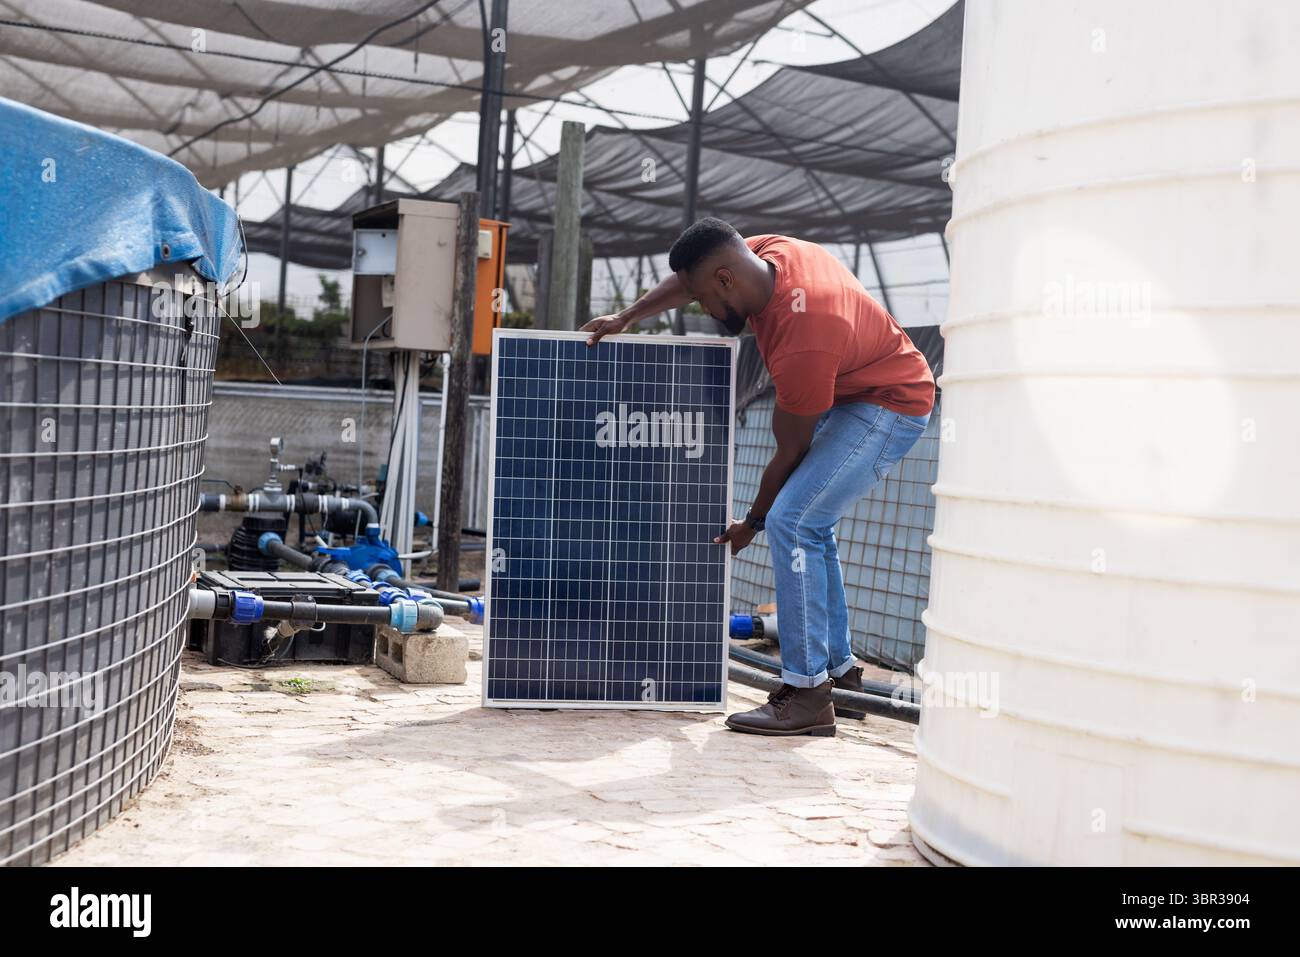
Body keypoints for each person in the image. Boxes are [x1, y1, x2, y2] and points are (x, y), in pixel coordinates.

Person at [582, 218, 934, 737]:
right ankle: (841, 674)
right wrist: (628, 316)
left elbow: (791, 450)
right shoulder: (766, 253)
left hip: (891, 404)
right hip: (857, 389)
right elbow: (688, 277)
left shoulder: (804, 335)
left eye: (703, 297)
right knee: (811, 525)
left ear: (726, 279)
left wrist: (752, 521)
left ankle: (808, 694)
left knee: (793, 522)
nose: (700, 307)